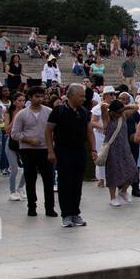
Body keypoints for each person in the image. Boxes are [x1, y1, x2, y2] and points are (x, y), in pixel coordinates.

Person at [46, 82, 96, 228]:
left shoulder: (84, 111)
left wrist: (93, 149)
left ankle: (75, 213)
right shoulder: (59, 111)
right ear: (71, 95)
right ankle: (66, 214)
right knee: (65, 183)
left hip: (80, 150)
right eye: (80, 96)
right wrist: (50, 150)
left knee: (77, 183)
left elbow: (89, 131)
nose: (83, 98)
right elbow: (48, 131)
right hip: (63, 150)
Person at [11, 86, 57, 217]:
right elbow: (14, 133)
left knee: (49, 179)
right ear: (30, 98)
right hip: (28, 150)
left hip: (45, 149)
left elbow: (55, 129)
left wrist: (52, 148)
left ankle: (50, 207)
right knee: (30, 179)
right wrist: (28, 140)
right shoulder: (22, 114)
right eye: (37, 96)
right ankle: (32, 206)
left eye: (42, 96)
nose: (40, 99)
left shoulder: (49, 111)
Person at [100, 99, 139, 206]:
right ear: (112, 111)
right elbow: (103, 106)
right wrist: (112, 106)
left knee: (133, 170)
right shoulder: (107, 118)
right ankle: (112, 198)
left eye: (120, 112)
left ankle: (123, 191)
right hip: (112, 149)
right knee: (113, 172)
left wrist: (123, 108)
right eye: (117, 112)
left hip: (124, 147)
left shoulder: (123, 116)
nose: (119, 114)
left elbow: (136, 107)